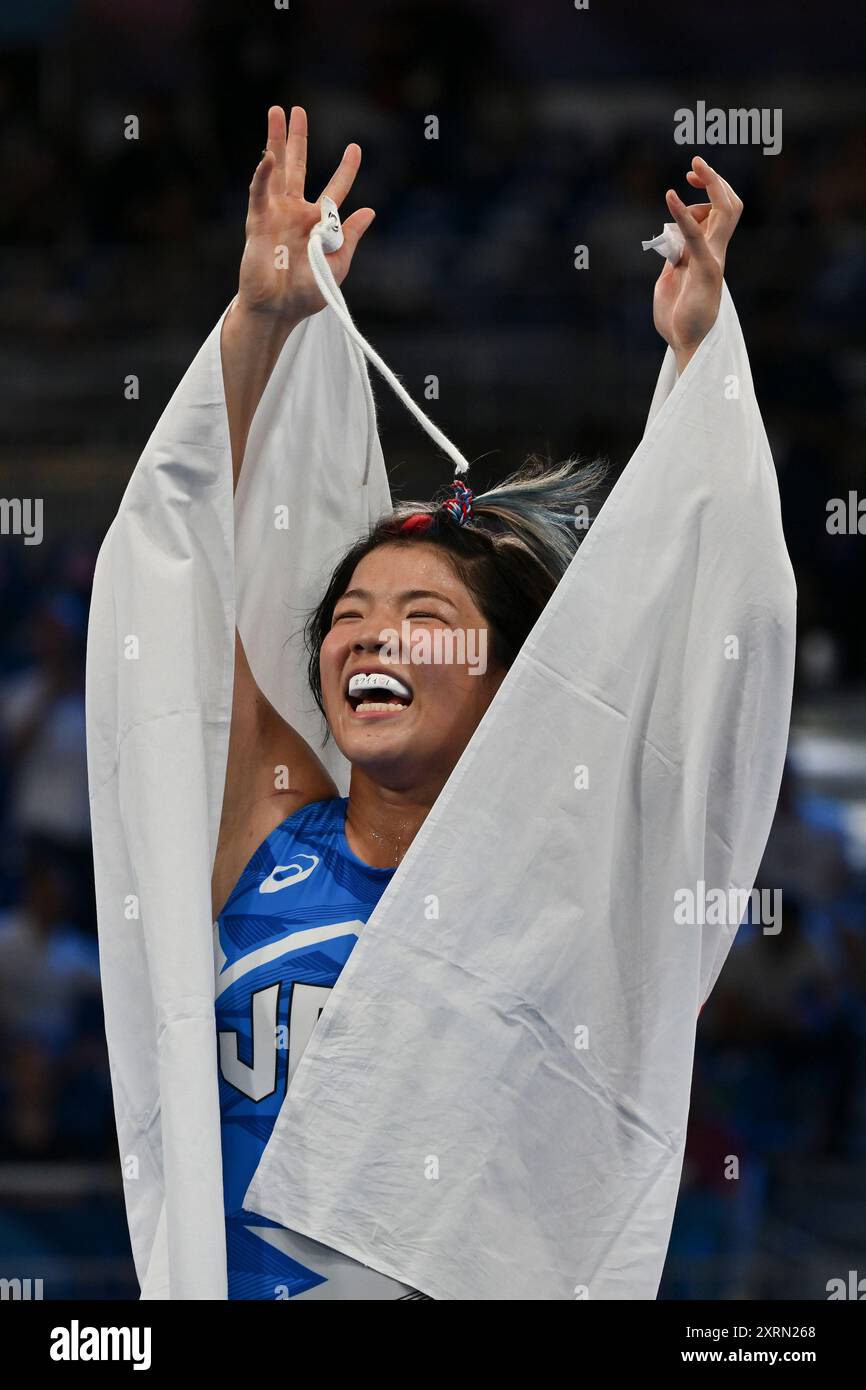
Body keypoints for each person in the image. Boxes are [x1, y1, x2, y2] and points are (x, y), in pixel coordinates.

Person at [210, 104, 743, 1299]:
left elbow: (707, 660)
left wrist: (700, 362)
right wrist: (260, 322)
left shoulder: (567, 888)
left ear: (508, 677)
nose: (367, 637)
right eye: (347, 618)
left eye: (414, 615)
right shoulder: (268, 830)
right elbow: (222, 534)